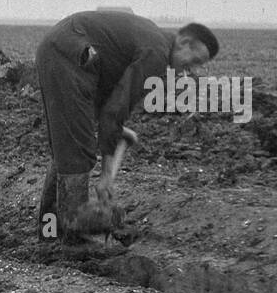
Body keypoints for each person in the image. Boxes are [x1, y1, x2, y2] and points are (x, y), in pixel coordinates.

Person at [35, 12, 218, 242]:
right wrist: (105, 178)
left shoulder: (154, 40)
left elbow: (110, 107)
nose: (190, 70)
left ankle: (48, 233)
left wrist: (106, 169)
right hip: (72, 53)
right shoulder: (156, 54)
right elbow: (114, 113)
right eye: (194, 61)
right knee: (76, 147)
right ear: (183, 42)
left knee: (68, 142)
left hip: (63, 48)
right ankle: (75, 236)